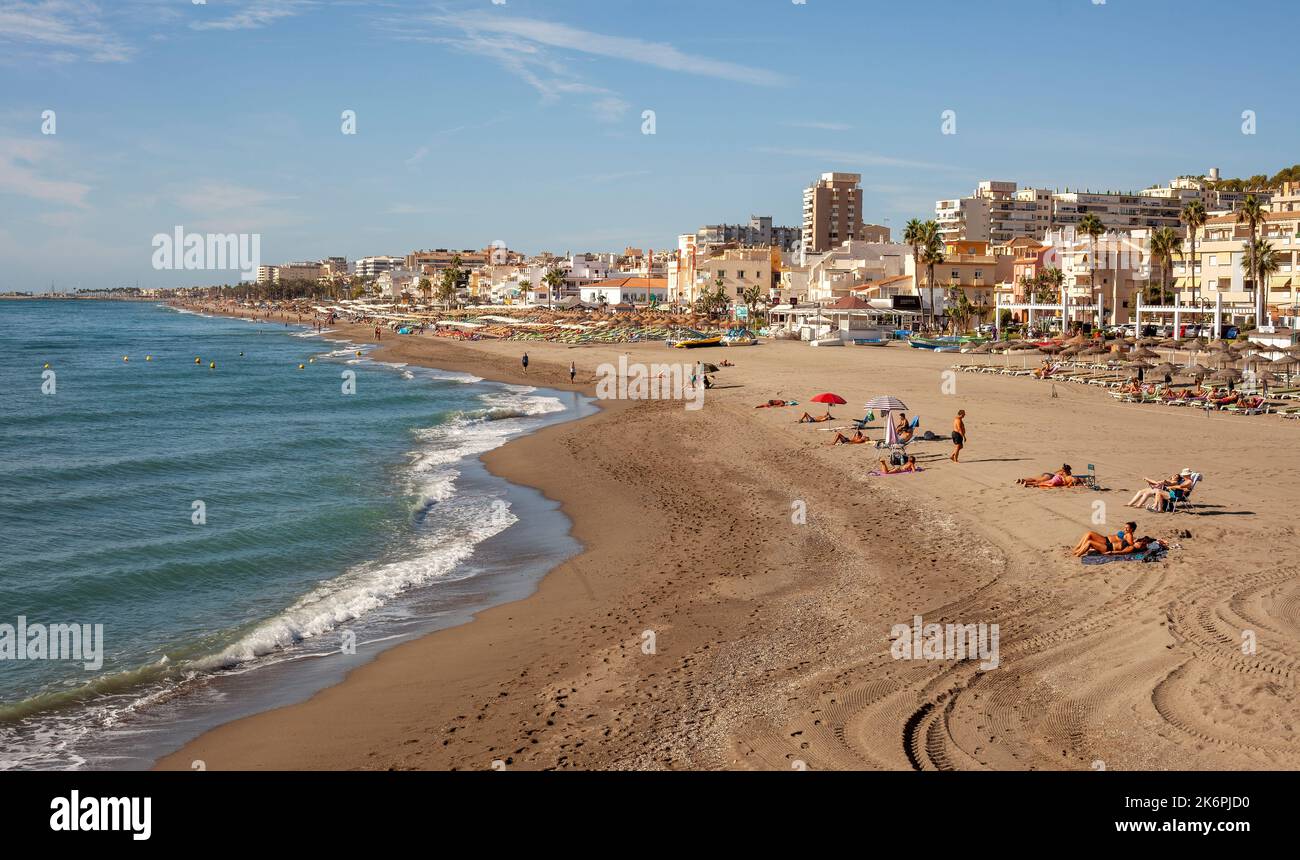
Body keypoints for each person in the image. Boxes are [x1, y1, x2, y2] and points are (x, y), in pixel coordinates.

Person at [1072, 521, 1137, 557]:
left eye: (1127, 528)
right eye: (1125, 527)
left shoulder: (1129, 535)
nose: (1125, 529)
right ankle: (1077, 549)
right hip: (1107, 543)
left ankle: (1077, 552)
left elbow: (1131, 544)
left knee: (1089, 536)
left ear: (1131, 529)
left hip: (1107, 543)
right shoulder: (1127, 534)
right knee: (1088, 534)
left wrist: (1134, 542)